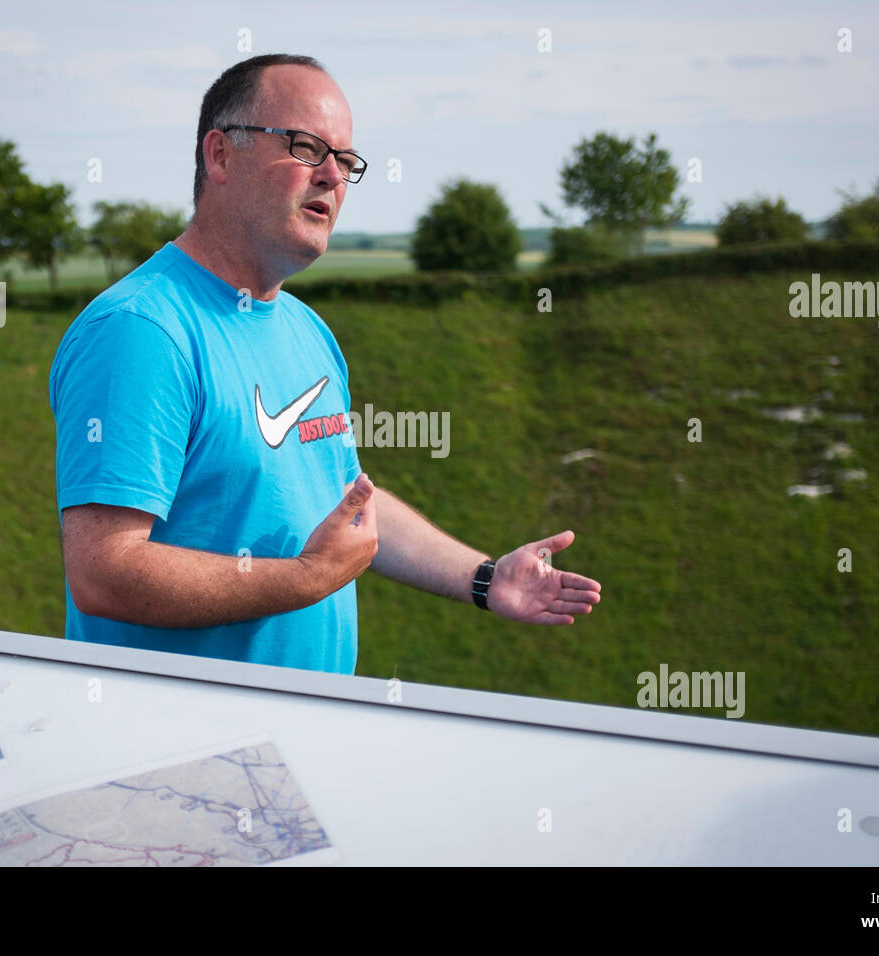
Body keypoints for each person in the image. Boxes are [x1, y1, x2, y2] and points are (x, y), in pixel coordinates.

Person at [48, 53, 601, 674]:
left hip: (300, 739)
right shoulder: (142, 331)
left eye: (346, 161)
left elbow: (346, 501)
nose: (334, 177)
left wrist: (484, 578)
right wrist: (305, 578)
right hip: (175, 752)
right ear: (220, 154)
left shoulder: (305, 329)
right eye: (307, 148)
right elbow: (105, 571)